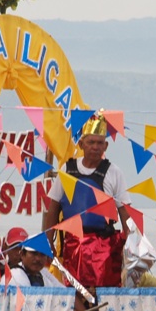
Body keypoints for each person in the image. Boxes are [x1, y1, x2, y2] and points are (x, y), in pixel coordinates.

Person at [43, 111, 131, 290]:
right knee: (74, 292)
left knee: (103, 293)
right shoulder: (67, 169)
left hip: (104, 247)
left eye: (100, 143)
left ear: (106, 146)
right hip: (73, 245)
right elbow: (53, 209)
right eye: (91, 142)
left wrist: (132, 247)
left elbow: (125, 213)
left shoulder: (114, 172)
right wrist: (48, 243)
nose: (95, 147)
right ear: (81, 144)